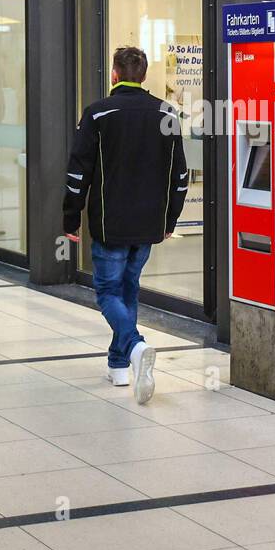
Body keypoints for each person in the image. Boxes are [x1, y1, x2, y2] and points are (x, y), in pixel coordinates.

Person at [62, 46, 187, 405]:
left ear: (115, 74)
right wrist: (171, 218)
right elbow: (180, 174)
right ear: (144, 75)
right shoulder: (167, 113)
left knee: (106, 291)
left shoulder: (98, 114)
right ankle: (119, 366)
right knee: (128, 288)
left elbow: (77, 173)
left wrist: (71, 217)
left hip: (110, 222)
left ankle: (134, 347)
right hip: (148, 223)